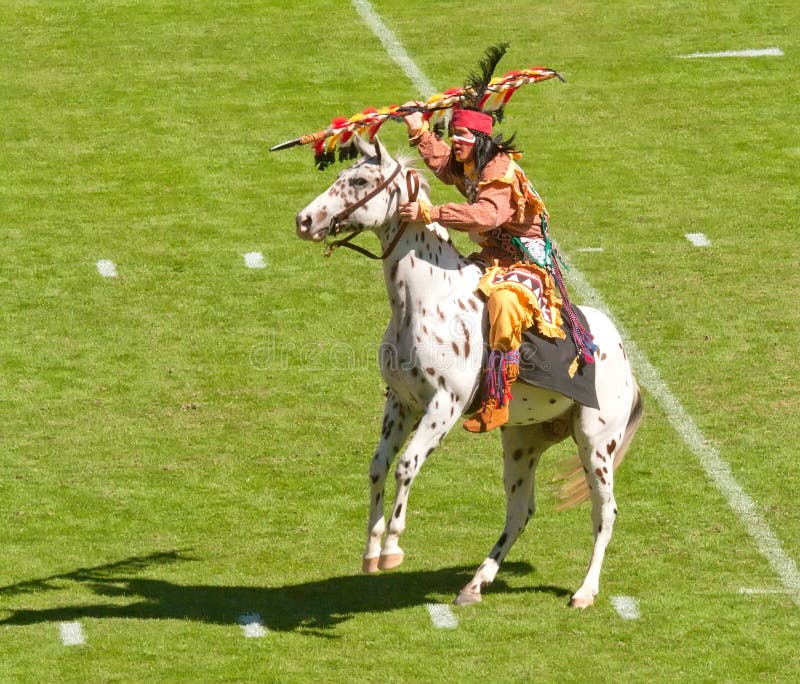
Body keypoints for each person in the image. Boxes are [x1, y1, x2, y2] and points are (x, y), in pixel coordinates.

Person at [399, 102, 576, 432]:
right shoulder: (471, 162)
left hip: (527, 261)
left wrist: (431, 212)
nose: (455, 142)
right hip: (494, 256)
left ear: (480, 138)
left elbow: (485, 216)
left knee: (504, 302)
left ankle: (499, 398)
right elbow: (443, 163)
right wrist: (417, 128)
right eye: (453, 135)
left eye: (462, 136)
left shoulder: (498, 173)